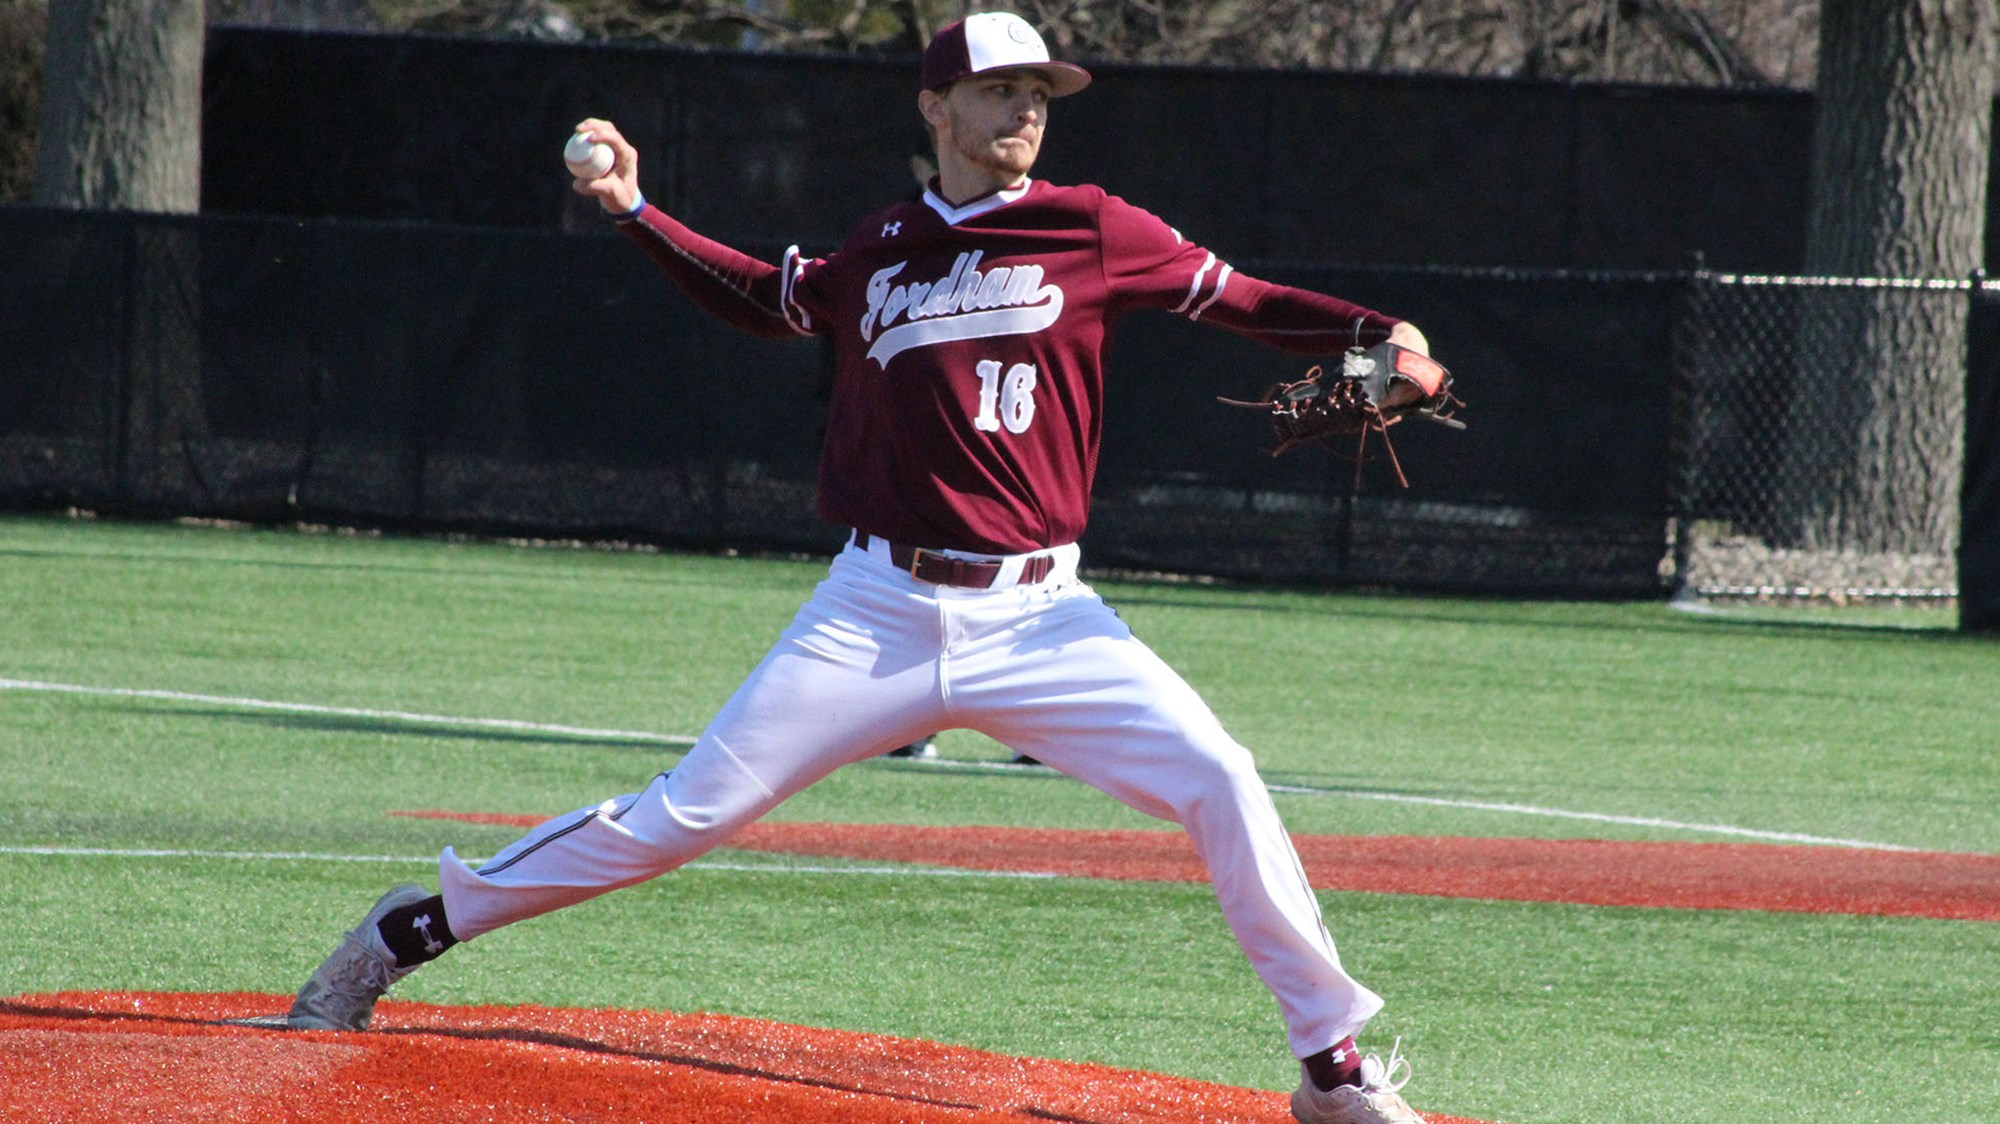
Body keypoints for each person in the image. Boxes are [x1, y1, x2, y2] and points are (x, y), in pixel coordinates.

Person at [289, 13, 1433, 1124]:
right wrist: (633, 207)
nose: (1026, 109)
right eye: (1000, 89)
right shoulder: (881, 247)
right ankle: (411, 925)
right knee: (679, 816)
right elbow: (763, 298)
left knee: (1219, 776)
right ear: (936, 105)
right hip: (877, 605)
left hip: (1043, 616)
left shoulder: (1090, 227)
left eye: (1039, 93)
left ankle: (1328, 1067)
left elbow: (1246, 301)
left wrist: (1383, 329)